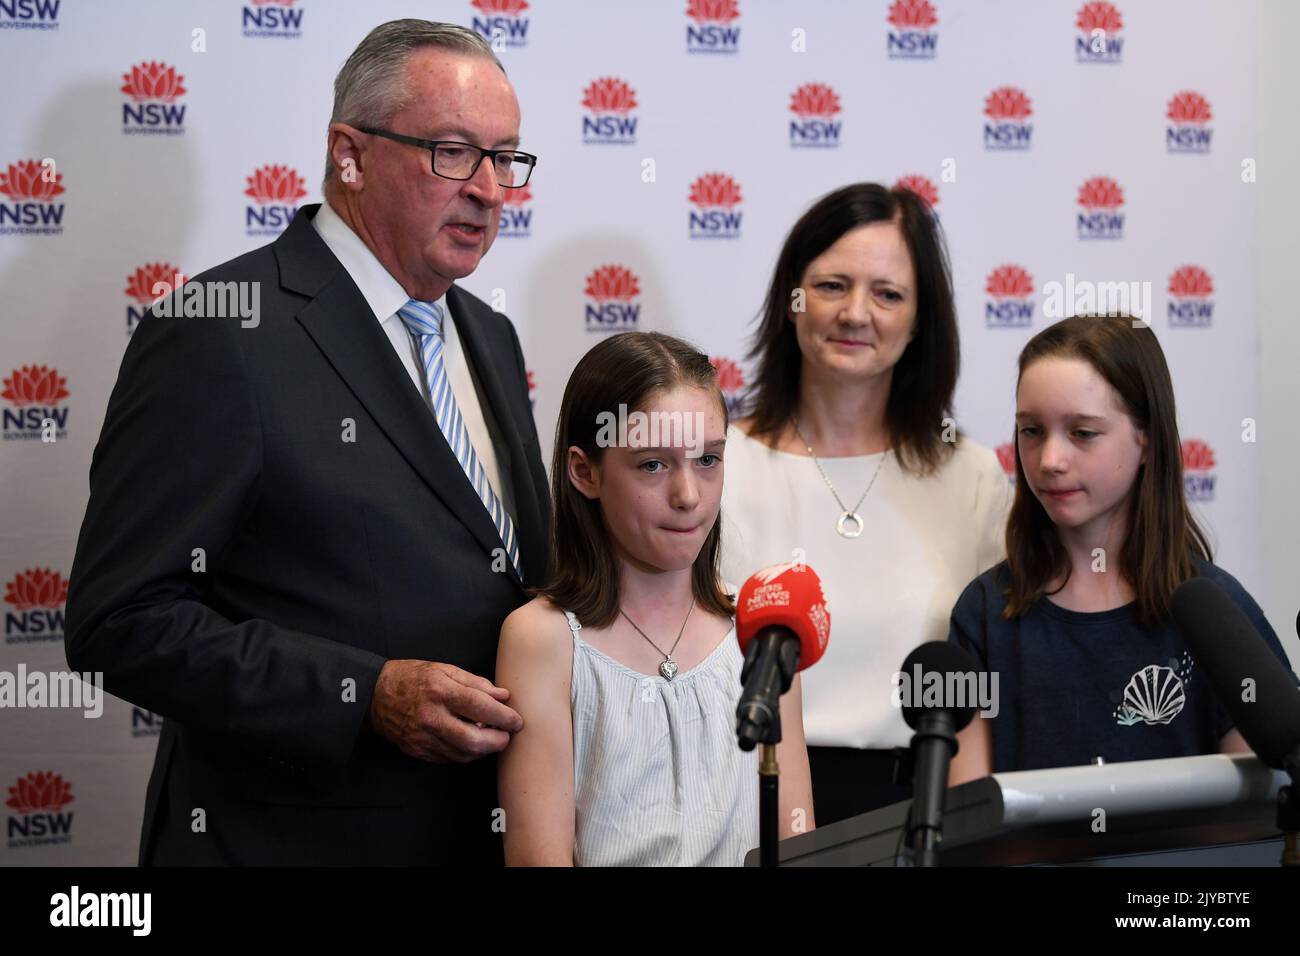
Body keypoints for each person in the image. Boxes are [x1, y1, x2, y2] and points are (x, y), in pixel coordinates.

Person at [63, 20, 549, 865]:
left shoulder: (491, 337)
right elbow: (120, 619)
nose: (490, 190)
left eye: (506, 158)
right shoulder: (219, 331)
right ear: (349, 154)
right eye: (453, 152)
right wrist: (365, 695)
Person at [720, 183, 1012, 826]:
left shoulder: (972, 477)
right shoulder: (717, 467)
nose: (857, 313)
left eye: (888, 294)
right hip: (745, 803)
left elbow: (981, 696)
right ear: (791, 301)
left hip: (920, 809)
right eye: (832, 286)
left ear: (919, 321)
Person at [497, 332, 814, 865]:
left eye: (708, 459)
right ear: (585, 471)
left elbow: (798, 843)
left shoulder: (764, 623)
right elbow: (539, 857)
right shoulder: (544, 639)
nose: (689, 495)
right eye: (652, 465)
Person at [947, 315, 1295, 783]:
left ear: (1147, 441)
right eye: (1031, 431)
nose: (1050, 460)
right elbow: (968, 820)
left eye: (1082, 433)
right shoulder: (985, 614)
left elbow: (1264, 808)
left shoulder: (1217, 616)